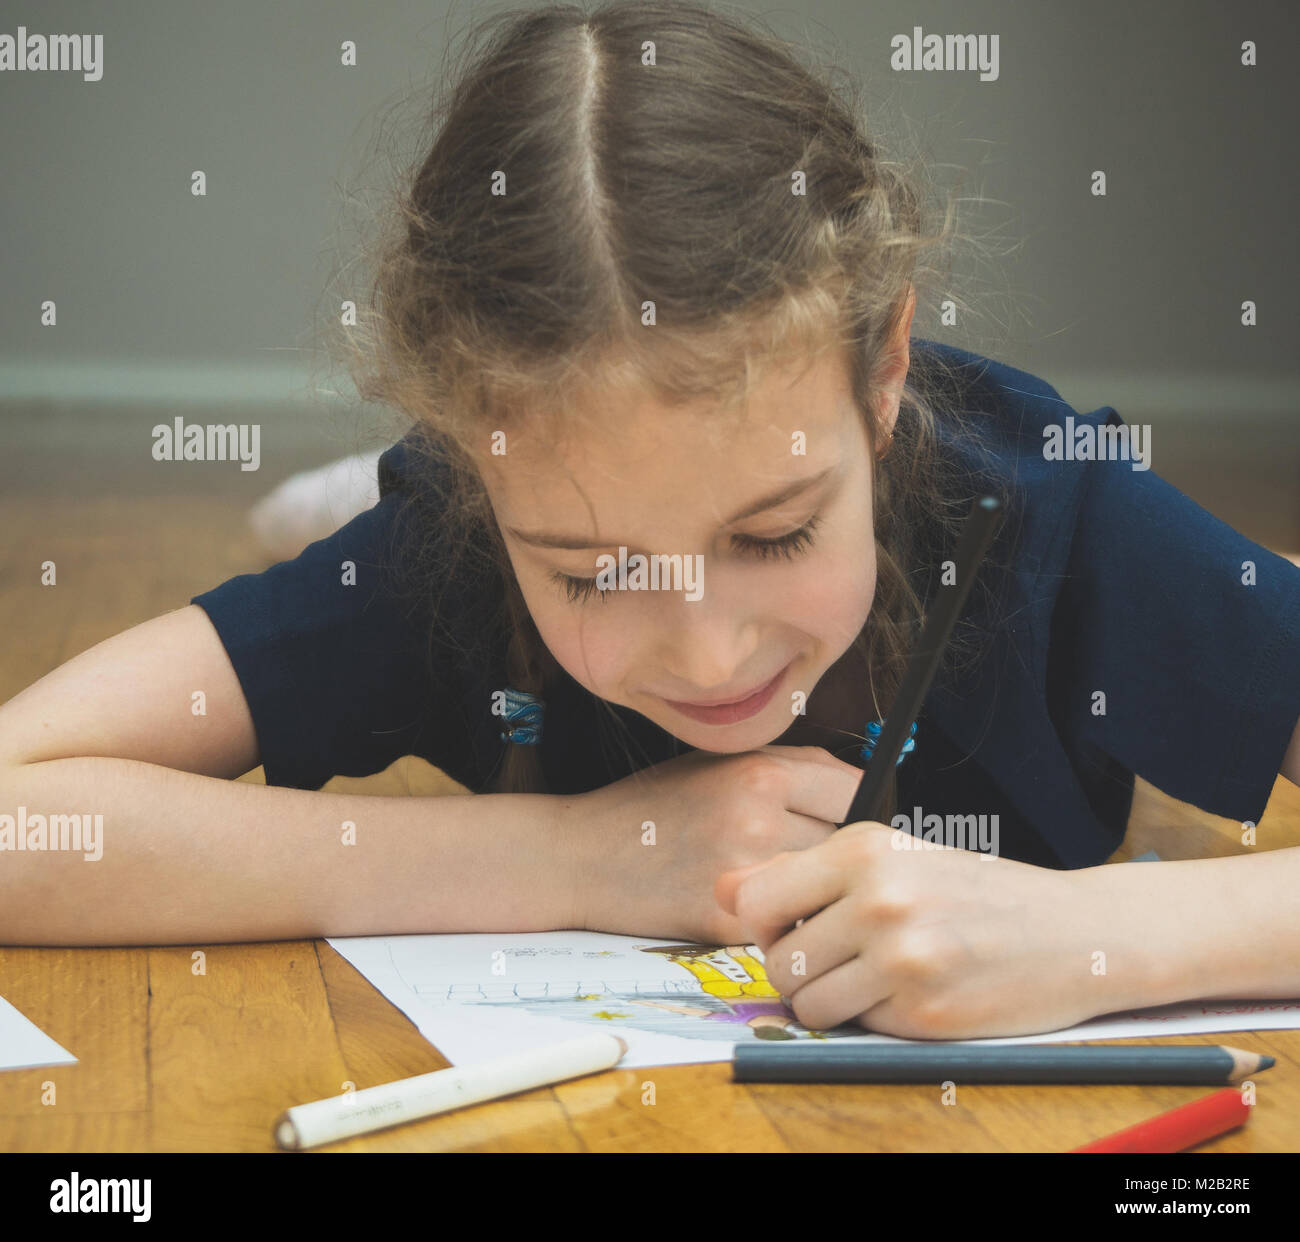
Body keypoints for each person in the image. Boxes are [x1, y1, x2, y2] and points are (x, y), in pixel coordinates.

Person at [2, 1, 1297, 1042]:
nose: (710, 654)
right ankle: (363, 492)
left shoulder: (1058, 513)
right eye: (600, 567)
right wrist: (575, 857)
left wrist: (1097, 936)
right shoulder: (446, 552)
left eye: (777, 532)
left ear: (886, 365)